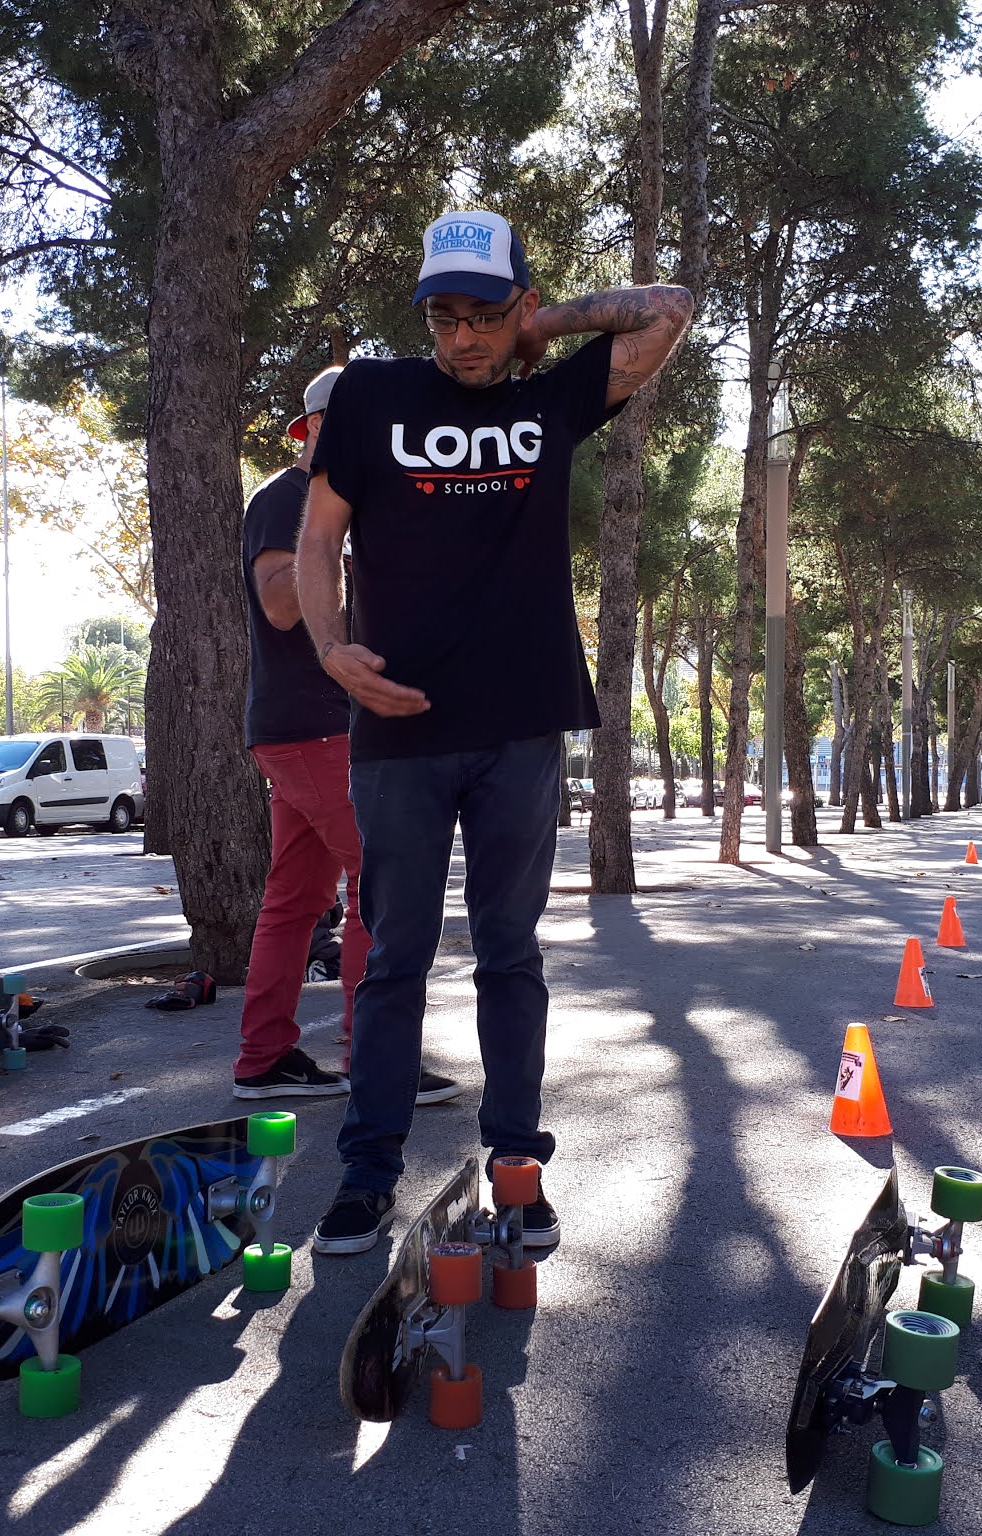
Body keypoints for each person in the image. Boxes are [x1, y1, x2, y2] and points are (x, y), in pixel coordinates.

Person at [295, 210, 693, 1253]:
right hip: (398, 727)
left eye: (483, 313)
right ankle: (365, 1173)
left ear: (515, 306)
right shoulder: (373, 394)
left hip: (521, 724)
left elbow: (669, 313)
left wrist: (544, 326)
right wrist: (332, 649)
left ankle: (516, 1167)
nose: (461, 337)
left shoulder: (548, 396)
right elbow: (317, 535)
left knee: (511, 957)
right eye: (444, 315)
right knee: (392, 960)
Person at [236, 365, 460, 1106]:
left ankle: (265, 1060)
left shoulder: (344, 501)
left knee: (295, 899)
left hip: (312, 728)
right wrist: (334, 551)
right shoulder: (288, 497)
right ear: (317, 428)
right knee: (384, 883)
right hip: (312, 727)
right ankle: (377, 1061)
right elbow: (276, 603)